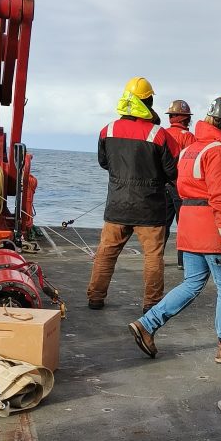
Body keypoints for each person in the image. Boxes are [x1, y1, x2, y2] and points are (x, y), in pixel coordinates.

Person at [128, 96, 221, 363]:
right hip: (212, 228)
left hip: (189, 225)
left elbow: (184, 189)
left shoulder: (190, 149)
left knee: (192, 283)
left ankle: (147, 324)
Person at [86, 77, 177, 311]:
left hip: (117, 206)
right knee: (153, 258)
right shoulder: (158, 134)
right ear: (149, 101)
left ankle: (95, 298)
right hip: (150, 208)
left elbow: (104, 162)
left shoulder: (108, 129)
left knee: (106, 254)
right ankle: (151, 304)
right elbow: (172, 171)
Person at [163, 99, 196, 265]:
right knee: (183, 224)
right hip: (179, 186)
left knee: (163, 224)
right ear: (185, 118)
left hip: (161, 184)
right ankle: (182, 261)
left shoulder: (161, 133)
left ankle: (156, 257)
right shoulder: (188, 137)